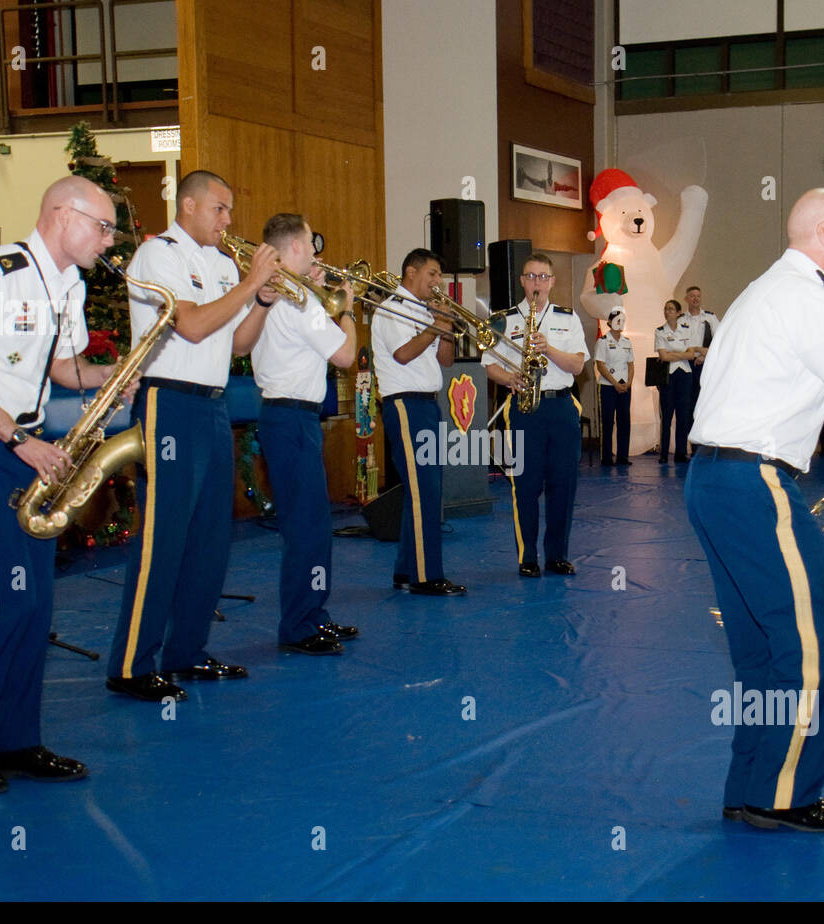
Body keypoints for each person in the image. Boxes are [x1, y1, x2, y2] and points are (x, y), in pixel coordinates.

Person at [686, 187, 824, 832]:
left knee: (762, 644)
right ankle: (782, 795)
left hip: (714, 479)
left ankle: (751, 785)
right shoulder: (803, 296)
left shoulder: (774, 288)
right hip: (753, 483)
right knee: (820, 631)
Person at [0, 175, 128, 793]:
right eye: (103, 226)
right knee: (4, 601)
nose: (110, 240)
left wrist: (110, 375)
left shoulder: (68, 284)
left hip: (29, 451)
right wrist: (18, 440)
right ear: (63, 216)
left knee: (36, 605)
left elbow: (60, 366)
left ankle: (15, 740)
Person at [105, 170, 281, 702]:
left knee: (210, 535)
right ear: (188, 205)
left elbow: (236, 344)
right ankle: (133, 664)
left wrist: (264, 301)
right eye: (219, 209)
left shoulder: (223, 264)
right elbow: (193, 326)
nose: (228, 221)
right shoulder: (160, 255)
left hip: (211, 403)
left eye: (229, 211)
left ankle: (187, 650)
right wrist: (251, 284)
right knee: (164, 536)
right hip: (169, 400)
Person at [251, 212, 359, 654]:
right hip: (291, 418)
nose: (317, 253)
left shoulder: (288, 293)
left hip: (291, 418)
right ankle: (299, 625)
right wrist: (348, 309)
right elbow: (347, 356)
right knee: (307, 527)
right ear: (295, 247)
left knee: (312, 525)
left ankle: (315, 614)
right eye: (310, 244)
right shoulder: (296, 300)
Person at [482, 252, 588, 577]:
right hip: (525, 408)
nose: (537, 283)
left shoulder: (568, 318)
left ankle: (557, 555)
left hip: (561, 406)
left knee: (563, 484)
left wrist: (549, 349)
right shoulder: (503, 319)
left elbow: (578, 365)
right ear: (522, 281)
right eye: (531, 276)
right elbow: (489, 365)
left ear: (552, 282)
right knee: (525, 486)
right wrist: (508, 378)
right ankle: (527, 557)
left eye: (543, 277)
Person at [369, 247, 466, 596]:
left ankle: (406, 570)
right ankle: (427, 576)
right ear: (411, 272)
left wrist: (446, 327)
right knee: (425, 490)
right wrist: (435, 324)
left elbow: (447, 360)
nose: (437, 282)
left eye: (439, 275)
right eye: (433, 274)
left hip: (427, 403)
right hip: (406, 404)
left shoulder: (422, 310)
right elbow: (403, 354)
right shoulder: (393, 307)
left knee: (421, 490)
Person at [594, 305, 633, 466]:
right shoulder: (603, 341)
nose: (620, 323)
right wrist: (615, 383)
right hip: (608, 387)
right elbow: (600, 365)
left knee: (625, 421)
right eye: (617, 320)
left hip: (625, 387)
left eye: (622, 320)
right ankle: (607, 457)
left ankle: (623, 456)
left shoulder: (627, 342)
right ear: (610, 323)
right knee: (608, 422)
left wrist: (628, 383)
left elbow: (631, 364)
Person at [654, 299, 692, 463]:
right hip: (668, 376)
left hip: (685, 374)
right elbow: (663, 356)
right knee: (667, 415)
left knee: (683, 415)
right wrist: (681, 354)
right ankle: (663, 453)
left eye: (670, 309)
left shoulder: (686, 330)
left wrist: (673, 354)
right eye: (665, 309)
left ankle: (681, 452)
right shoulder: (660, 331)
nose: (667, 312)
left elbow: (691, 354)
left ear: (678, 313)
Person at [679, 285, 716, 421]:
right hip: (685, 364)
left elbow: (719, 340)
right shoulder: (681, 320)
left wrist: (704, 356)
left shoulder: (710, 318)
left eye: (698, 296)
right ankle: (688, 437)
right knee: (686, 402)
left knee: (702, 401)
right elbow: (678, 344)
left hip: (703, 365)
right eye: (692, 296)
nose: (696, 299)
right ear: (686, 299)